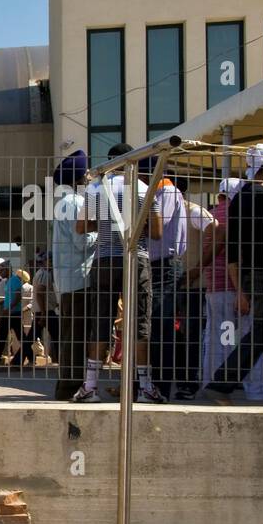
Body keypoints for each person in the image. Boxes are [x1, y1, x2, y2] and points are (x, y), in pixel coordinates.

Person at [72, 143, 163, 403]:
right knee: (140, 322)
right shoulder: (145, 188)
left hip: (103, 260)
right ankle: (145, 387)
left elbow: (80, 227)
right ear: (130, 161)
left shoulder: (96, 189)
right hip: (137, 259)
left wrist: (104, 225)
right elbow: (156, 233)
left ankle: (90, 386)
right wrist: (131, 227)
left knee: (100, 321)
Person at [205, 144, 263, 404]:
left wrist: (239, 287)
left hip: (248, 274)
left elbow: (232, 252)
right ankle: (221, 382)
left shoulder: (238, 200)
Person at [147, 170, 214, 398]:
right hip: (177, 282)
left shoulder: (191, 210)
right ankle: (172, 379)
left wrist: (198, 267)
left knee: (190, 334)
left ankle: (188, 382)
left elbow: (216, 229)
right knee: (169, 332)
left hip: (192, 284)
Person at [201, 178, 263, 399]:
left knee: (217, 338)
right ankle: (255, 391)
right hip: (233, 288)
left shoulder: (214, 214)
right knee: (246, 339)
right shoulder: (234, 214)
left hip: (214, 288)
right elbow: (233, 255)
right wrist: (242, 291)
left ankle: (211, 382)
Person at [50, 152, 95, 399]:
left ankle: (67, 386)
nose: (89, 176)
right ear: (78, 177)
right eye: (86, 173)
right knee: (78, 337)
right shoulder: (77, 203)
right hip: (80, 279)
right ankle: (71, 387)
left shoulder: (64, 203)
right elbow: (81, 242)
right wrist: (103, 234)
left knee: (71, 335)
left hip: (69, 281)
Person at [32, 252, 60, 365]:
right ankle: (59, 359)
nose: (53, 264)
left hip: (43, 310)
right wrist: (44, 313)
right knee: (58, 335)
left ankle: (18, 359)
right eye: (50, 261)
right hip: (46, 311)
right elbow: (40, 293)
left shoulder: (41, 273)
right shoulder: (45, 274)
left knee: (32, 336)